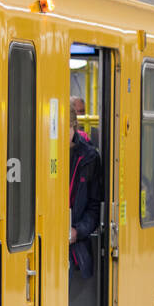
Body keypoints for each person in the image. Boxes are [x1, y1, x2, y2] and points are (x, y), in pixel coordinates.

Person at [67, 97, 102, 278]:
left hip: (75, 248)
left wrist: (77, 231)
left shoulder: (89, 158)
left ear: (75, 127)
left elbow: (94, 206)